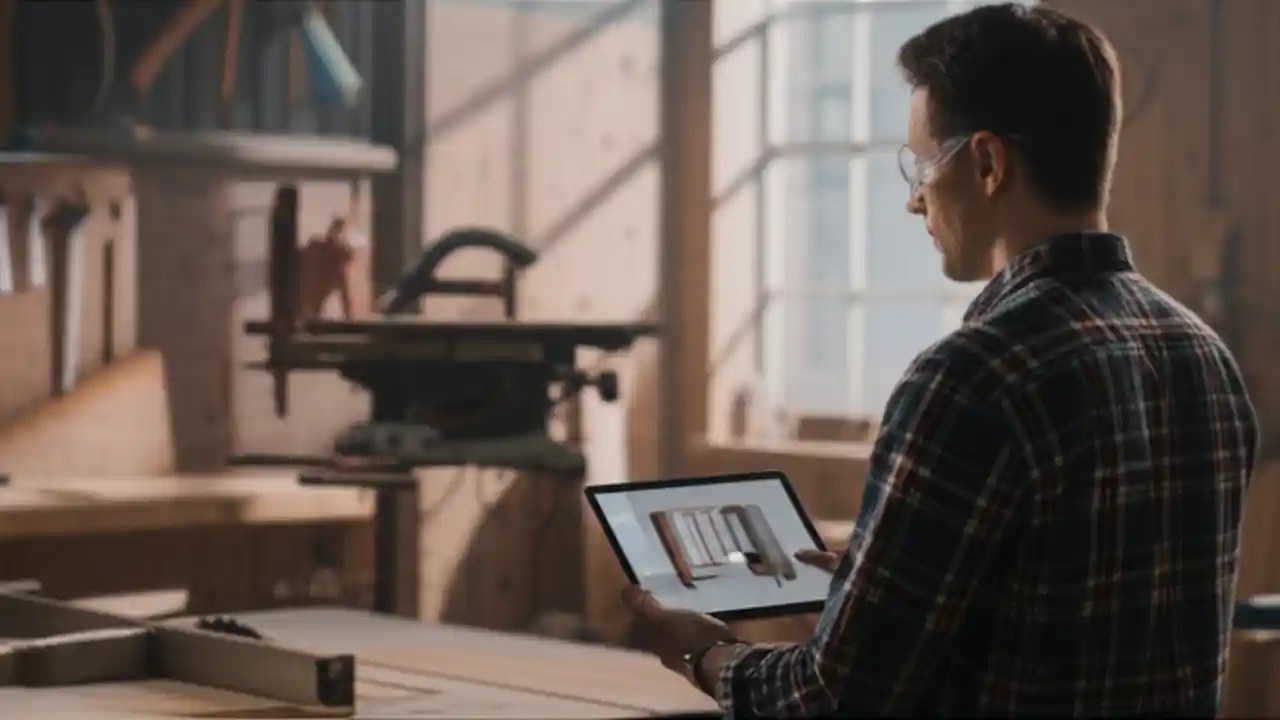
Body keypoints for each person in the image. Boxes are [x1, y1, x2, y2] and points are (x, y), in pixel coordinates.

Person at [621, 3, 1260, 716]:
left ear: (987, 163)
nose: (913, 201)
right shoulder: (1203, 357)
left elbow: (833, 700)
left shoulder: (975, 375)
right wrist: (885, 596)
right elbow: (1093, 615)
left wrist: (704, 653)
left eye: (921, 163)